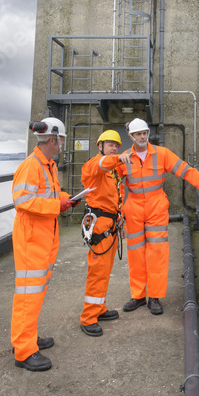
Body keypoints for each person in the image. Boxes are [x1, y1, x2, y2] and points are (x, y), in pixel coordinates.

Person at [120, 118, 199, 315]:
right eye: (138, 134)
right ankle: (137, 296)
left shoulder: (161, 154)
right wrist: (119, 214)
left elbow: (183, 168)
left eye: (144, 133)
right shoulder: (124, 158)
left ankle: (154, 297)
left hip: (156, 207)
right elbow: (116, 187)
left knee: (157, 253)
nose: (143, 136)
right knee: (135, 254)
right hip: (134, 209)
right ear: (131, 137)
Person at [10, 117, 80, 372]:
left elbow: (47, 195)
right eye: (61, 139)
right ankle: (24, 351)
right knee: (28, 295)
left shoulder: (47, 165)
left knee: (35, 293)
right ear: (52, 139)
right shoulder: (31, 166)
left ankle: (26, 338)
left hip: (42, 236)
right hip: (32, 239)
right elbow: (22, 201)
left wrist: (66, 198)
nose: (63, 143)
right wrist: (56, 205)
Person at [78, 130, 128, 336]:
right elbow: (101, 165)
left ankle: (99, 307)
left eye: (116, 145)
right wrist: (117, 158)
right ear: (100, 146)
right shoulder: (94, 165)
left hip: (112, 223)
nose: (114, 148)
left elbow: (119, 196)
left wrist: (122, 223)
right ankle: (88, 317)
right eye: (109, 145)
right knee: (97, 271)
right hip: (100, 225)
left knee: (105, 270)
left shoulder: (114, 171)